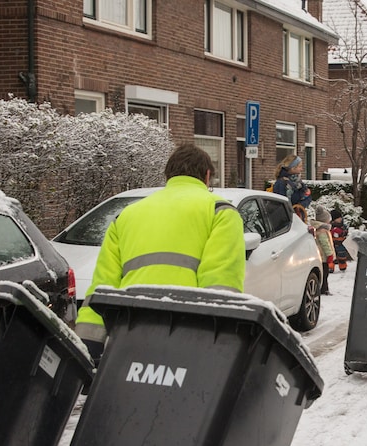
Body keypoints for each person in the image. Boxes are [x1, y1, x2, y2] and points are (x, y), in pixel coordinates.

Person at [75, 144, 245, 363]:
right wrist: (220, 345)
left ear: (168, 176)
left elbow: (102, 285)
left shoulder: (127, 215)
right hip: (189, 336)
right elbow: (221, 282)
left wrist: (90, 345)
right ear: (207, 175)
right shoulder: (220, 211)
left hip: (130, 334)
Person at [272, 154, 311, 219]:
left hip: (298, 217)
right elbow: (280, 204)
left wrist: (300, 205)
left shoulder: (299, 182)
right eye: (300, 166)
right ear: (293, 168)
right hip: (285, 220)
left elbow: (308, 196)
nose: (301, 169)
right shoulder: (281, 183)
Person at [310, 206, 335, 295]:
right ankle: (323, 289)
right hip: (323, 256)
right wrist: (330, 254)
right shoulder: (322, 231)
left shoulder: (320, 229)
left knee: (324, 273)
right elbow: (325, 244)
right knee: (325, 273)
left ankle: (324, 288)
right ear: (324, 220)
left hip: (321, 256)